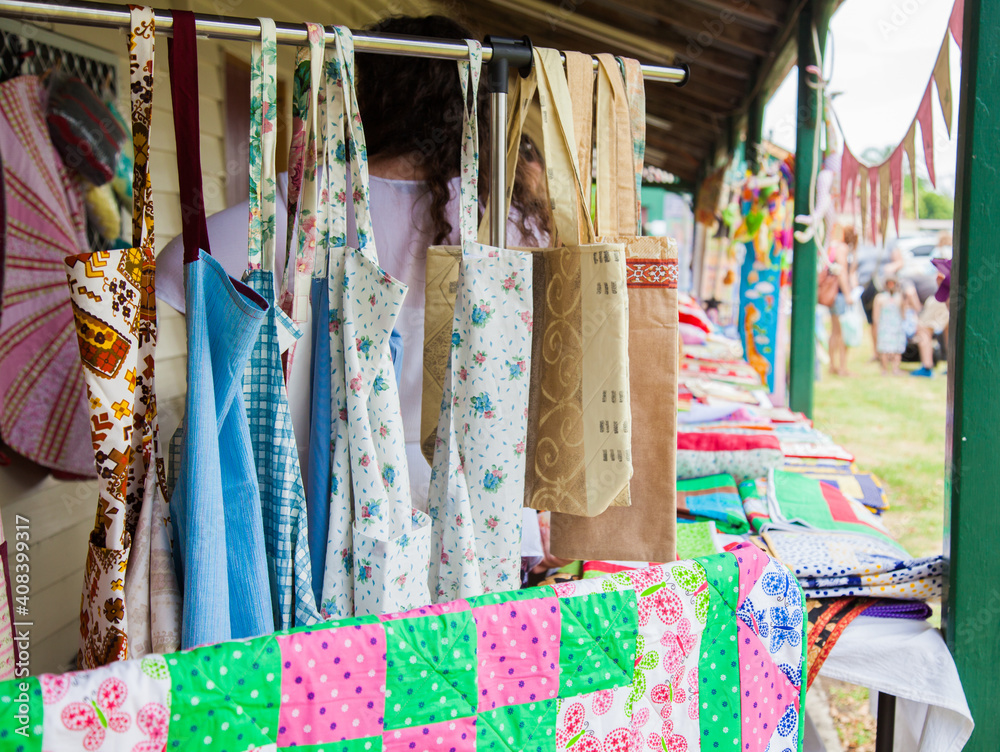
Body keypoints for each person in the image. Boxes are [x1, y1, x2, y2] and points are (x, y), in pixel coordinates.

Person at [156, 16, 552, 527]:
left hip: (328, 497)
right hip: (473, 496)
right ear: (467, 105)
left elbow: (179, 263)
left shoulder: (305, 207)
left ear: (371, 96)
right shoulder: (507, 223)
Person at [824, 225, 859, 376]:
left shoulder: (838, 247)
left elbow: (851, 272)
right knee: (841, 332)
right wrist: (848, 294)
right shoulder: (843, 248)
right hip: (840, 295)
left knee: (835, 331)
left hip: (837, 295)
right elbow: (842, 273)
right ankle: (841, 367)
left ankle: (834, 365)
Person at [912, 258, 951, 377]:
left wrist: (918, 310)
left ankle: (926, 367)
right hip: (949, 297)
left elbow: (909, 293)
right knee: (949, 332)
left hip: (940, 298)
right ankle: (952, 365)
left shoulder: (907, 279)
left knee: (923, 330)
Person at [873, 276, 907, 375]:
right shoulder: (880, 298)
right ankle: (884, 369)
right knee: (884, 348)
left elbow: (903, 312)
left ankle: (895, 369)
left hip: (896, 326)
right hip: (885, 326)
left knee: (897, 348)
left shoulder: (899, 297)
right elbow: (876, 316)